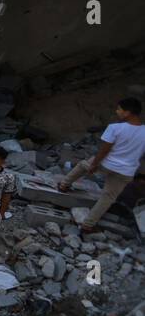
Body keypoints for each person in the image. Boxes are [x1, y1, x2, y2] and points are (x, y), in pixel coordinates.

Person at [58, 97, 145, 234]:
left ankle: (64, 185)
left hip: (107, 164)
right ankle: (88, 225)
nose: (117, 112)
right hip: (126, 171)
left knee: (83, 165)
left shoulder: (115, 128)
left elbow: (104, 150)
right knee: (108, 197)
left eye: (119, 109)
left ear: (127, 112)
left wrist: (94, 164)